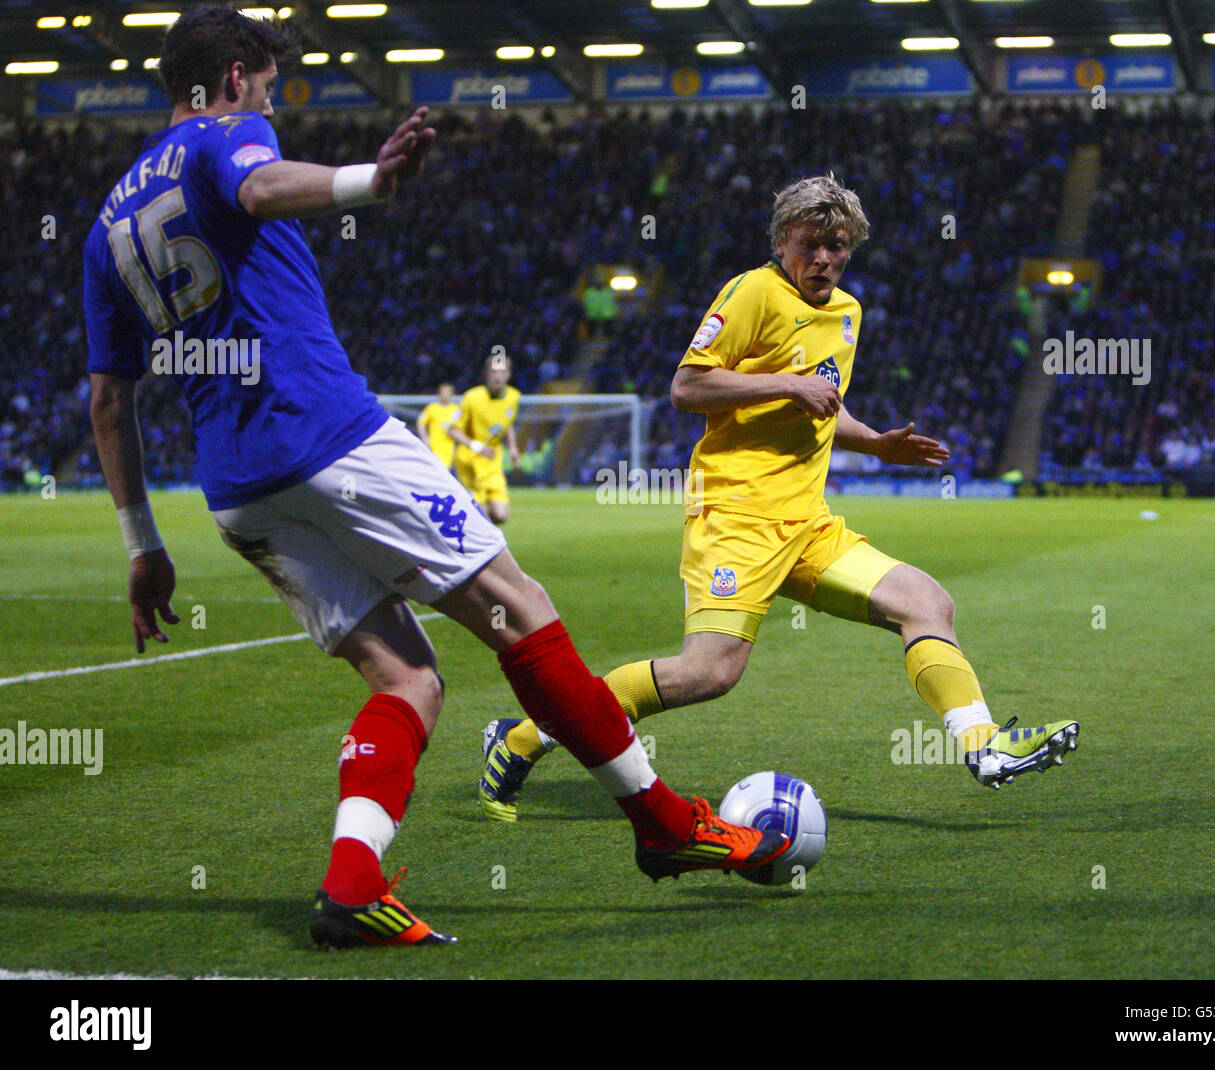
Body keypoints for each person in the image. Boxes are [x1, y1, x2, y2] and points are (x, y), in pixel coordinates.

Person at [84, 6, 788, 950]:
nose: (271, 103)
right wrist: (370, 180)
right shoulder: (227, 134)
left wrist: (143, 546)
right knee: (522, 614)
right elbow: (254, 191)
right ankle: (663, 824)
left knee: (407, 680)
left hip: (237, 491)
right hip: (331, 440)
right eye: (269, 85)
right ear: (234, 77)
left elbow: (107, 402)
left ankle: (350, 884)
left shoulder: (104, 226)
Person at [479, 174, 1079, 821]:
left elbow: (823, 404)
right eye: (812, 243)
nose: (825, 258)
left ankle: (983, 746)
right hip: (736, 517)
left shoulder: (846, 313)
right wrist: (786, 386)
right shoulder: (752, 293)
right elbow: (688, 387)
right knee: (709, 674)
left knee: (926, 601)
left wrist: (876, 443)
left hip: (809, 523)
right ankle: (520, 738)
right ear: (783, 240)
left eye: (839, 246)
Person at [448, 353, 520, 525]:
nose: (498, 376)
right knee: (482, 517)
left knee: (501, 515)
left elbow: (507, 422)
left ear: (509, 375)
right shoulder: (472, 398)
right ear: (486, 375)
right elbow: (452, 430)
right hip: (470, 460)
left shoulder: (514, 397)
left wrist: (512, 447)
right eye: (493, 372)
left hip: (493, 459)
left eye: (502, 372)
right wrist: (477, 446)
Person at [415, 382, 459, 469]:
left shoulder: (456, 410)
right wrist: (425, 438)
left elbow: (460, 428)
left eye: (447, 392)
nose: (445, 394)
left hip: (449, 448)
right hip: (434, 447)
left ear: (451, 394)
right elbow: (421, 422)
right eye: (443, 392)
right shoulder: (432, 408)